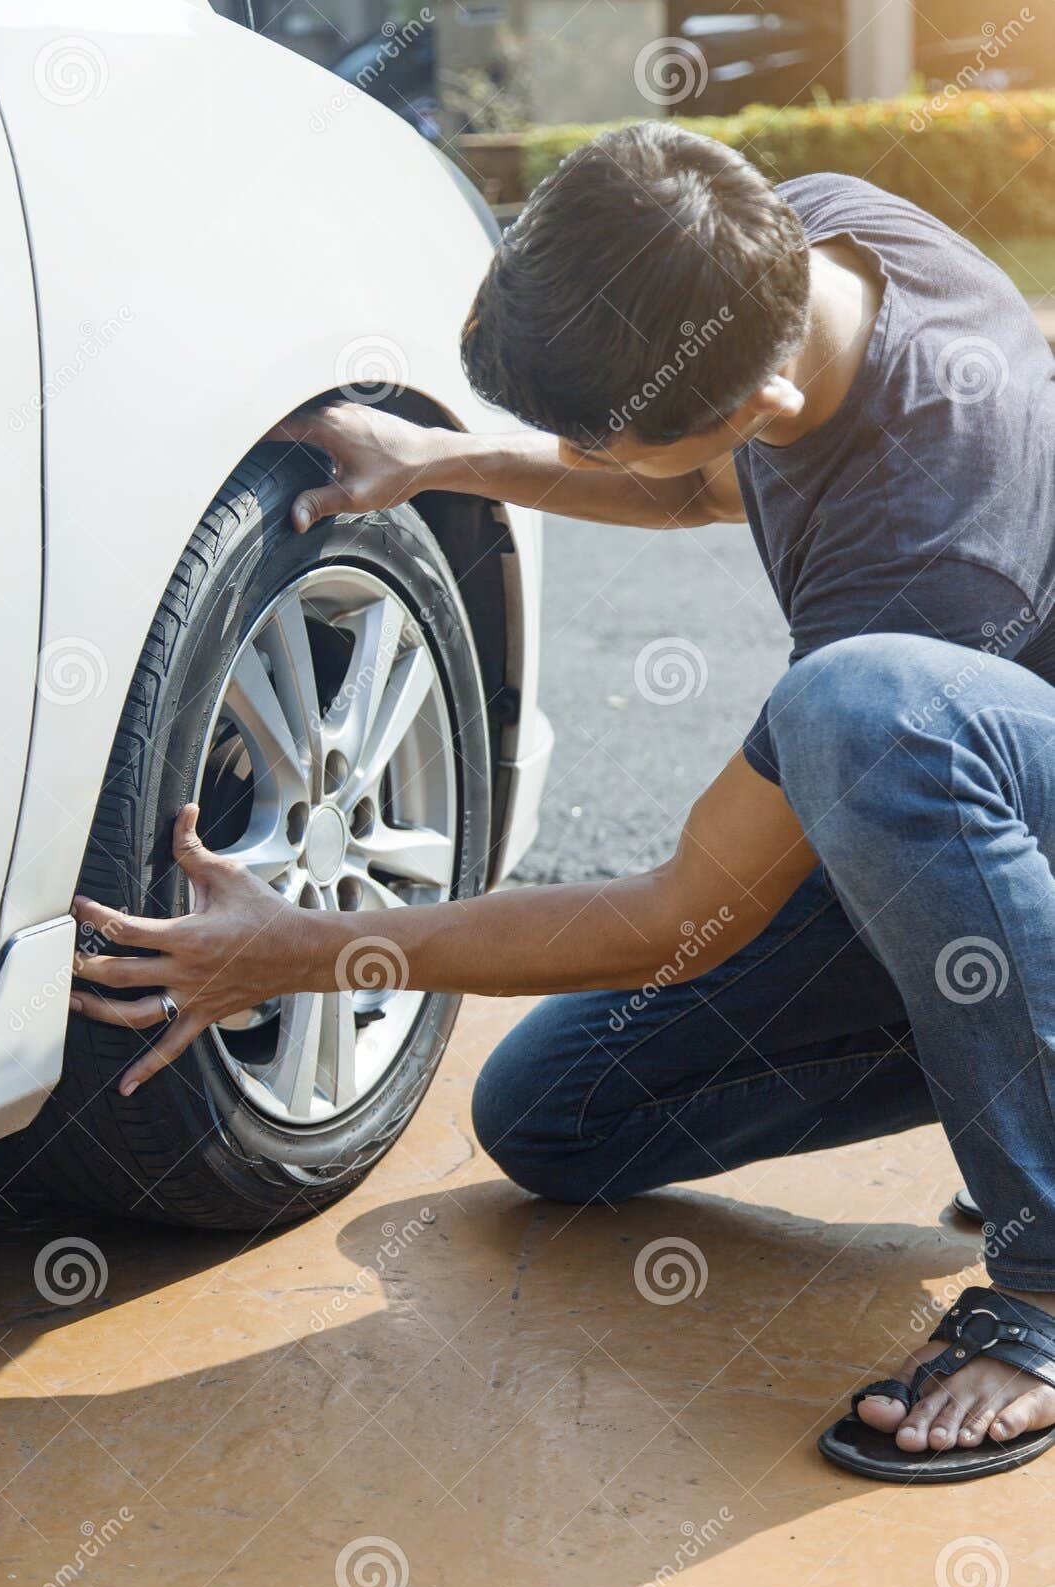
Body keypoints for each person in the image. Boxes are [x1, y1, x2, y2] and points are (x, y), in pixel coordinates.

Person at [70, 122, 1055, 1481]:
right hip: (970, 818)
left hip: (977, 785)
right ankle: (1008, 1040)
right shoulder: (786, 251)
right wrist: (435, 461)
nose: (576, 459)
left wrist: (313, 949)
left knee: (857, 710)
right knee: (556, 1112)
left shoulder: (935, 549)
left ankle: (1049, 1278)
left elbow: (673, 917)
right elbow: (693, 483)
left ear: (757, 396)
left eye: (600, 437)